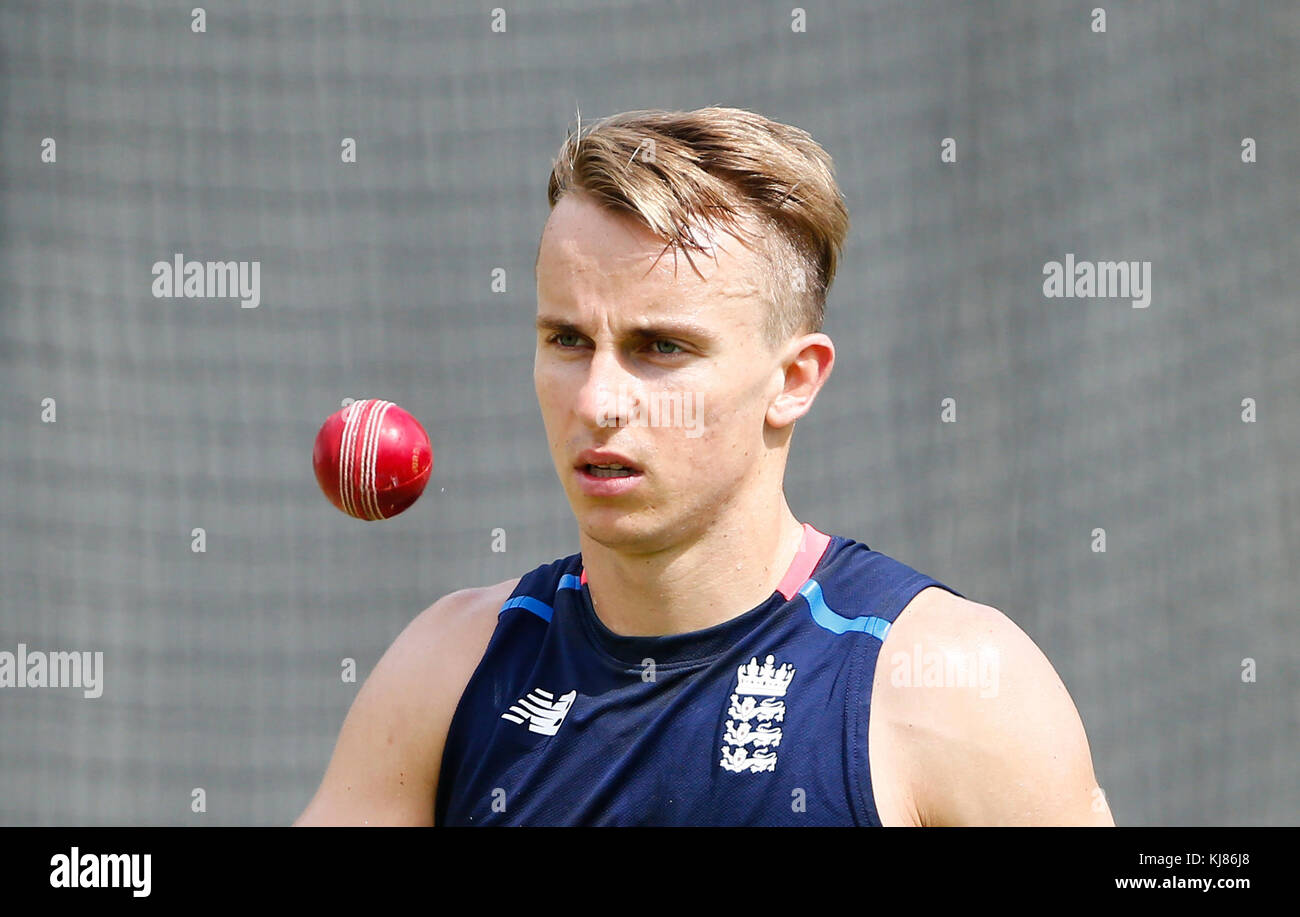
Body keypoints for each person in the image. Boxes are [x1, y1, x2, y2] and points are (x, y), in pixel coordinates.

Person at [294, 106, 1114, 826]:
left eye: (661, 347)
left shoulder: (949, 686)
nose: (599, 399)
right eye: (567, 340)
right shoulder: (450, 667)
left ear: (793, 381)